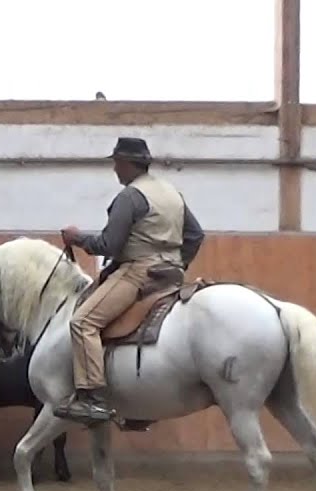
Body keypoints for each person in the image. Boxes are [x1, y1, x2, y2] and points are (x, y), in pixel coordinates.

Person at [54, 136, 205, 425]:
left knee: (83, 323)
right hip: (172, 274)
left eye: (116, 163)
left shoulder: (130, 197)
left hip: (139, 272)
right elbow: (196, 235)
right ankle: (137, 409)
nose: (114, 169)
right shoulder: (173, 194)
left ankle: (92, 398)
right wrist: (177, 263)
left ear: (125, 163)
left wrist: (77, 238)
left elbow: (109, 245)